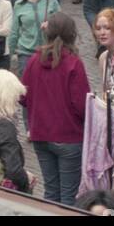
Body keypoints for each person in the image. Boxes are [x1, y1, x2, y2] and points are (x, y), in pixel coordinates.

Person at [21, 12, 89, 206]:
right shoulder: (74, 63)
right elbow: (81, 105)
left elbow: (22, 96)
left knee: (50, 192)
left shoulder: (34, 60)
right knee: (68, 198)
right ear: (72, 34)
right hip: (69, 136)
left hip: (41, 135)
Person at [8, 0, 60, 77]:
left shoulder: (51, 2)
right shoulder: (19, 5)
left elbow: (63, 24)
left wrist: (51, 25)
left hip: (49, 52)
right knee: (27, 89)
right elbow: (14, 32)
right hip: (25, 54)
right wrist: (10, 53)